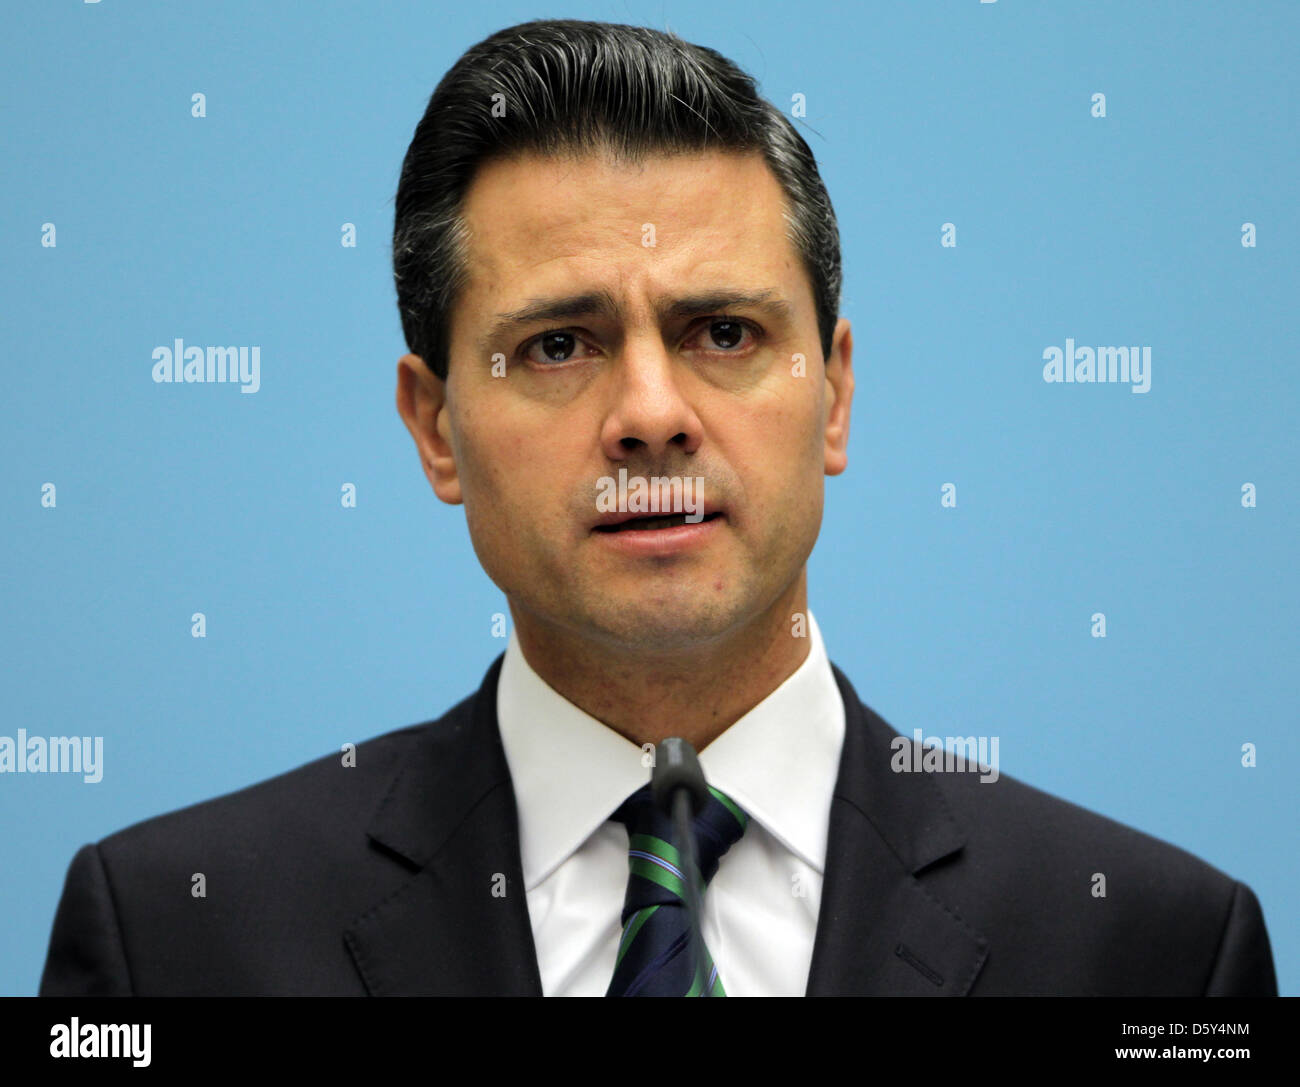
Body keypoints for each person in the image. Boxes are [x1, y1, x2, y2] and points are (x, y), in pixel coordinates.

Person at [40, 18, 1276, 997]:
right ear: (434, 430)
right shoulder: (175, 932)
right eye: (561, 343)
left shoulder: (1152, 944)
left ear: (833, 395)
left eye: (723, 331)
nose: (649, 412)